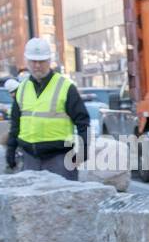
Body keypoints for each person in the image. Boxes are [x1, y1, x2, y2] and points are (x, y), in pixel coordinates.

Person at [5, 37, 89, 180]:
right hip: (29, 158)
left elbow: (83, 121)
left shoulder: (65, 87)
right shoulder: (22, 89)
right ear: (27, 62)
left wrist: (82, 151)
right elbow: (15, 125)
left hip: (60, 158)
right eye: (33, 61)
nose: (37, 65)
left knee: (63, 200)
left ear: (49, 61)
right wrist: (11, 150)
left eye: (42, 61)